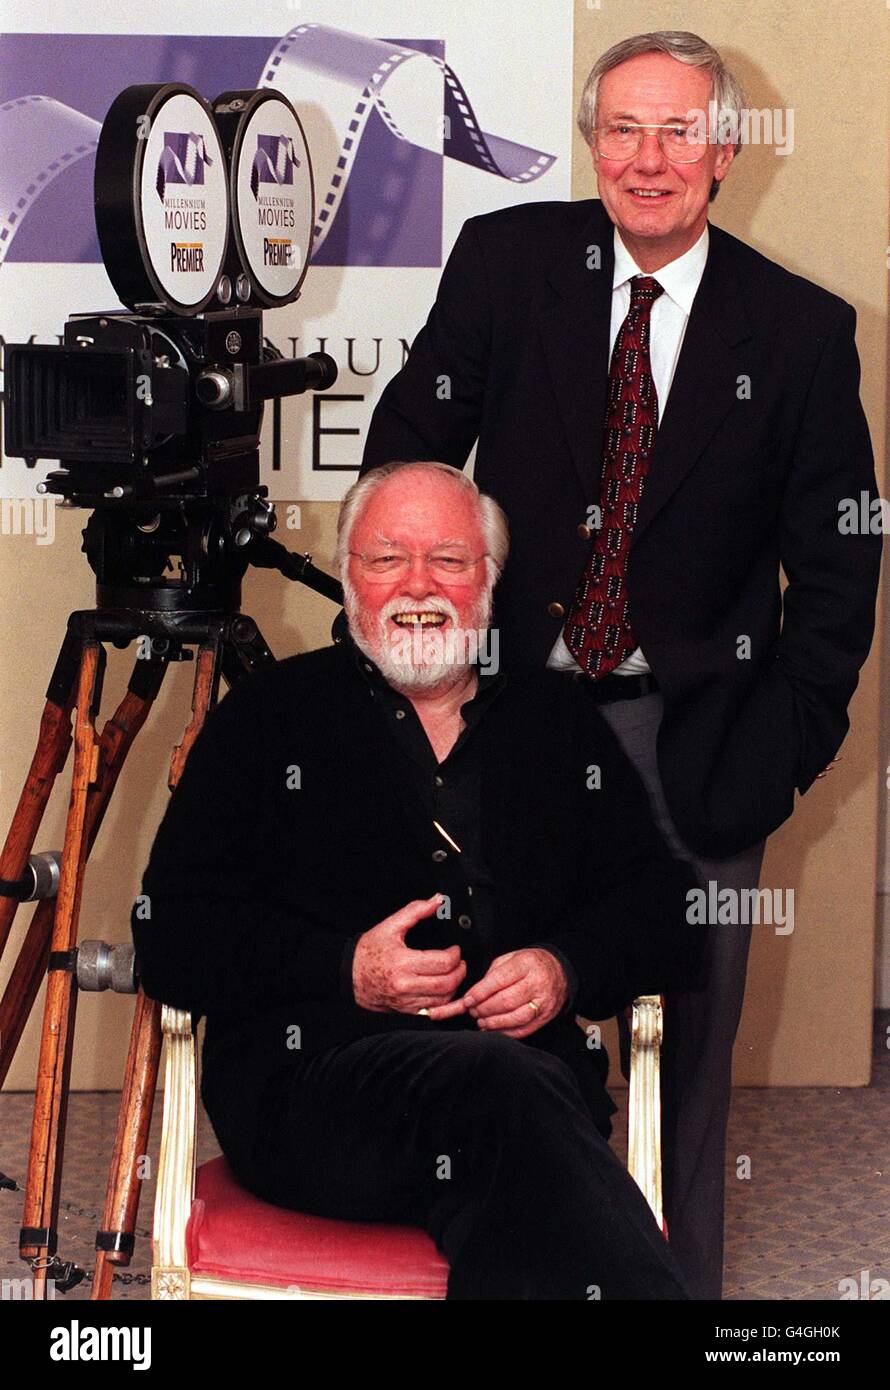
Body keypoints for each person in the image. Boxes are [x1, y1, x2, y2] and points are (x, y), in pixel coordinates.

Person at [359, 32, 883, 1298]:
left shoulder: (801, 333)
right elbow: (405, 457)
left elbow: (837, 572)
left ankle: (674, 1298)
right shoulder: (507, 264)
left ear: (721, 152)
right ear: (595, 144)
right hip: (499, 718)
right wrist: (419, 652)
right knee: (461, 1016)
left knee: (686, 1060)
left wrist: (779, 748)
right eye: (623, 132)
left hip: (693, 738)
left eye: (677, 132)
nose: (648, 161)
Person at [132, 459, 708, 1300]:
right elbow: (171, 930)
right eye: (386, 559)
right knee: (513, 1115)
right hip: (316, 1098)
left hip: (527, 1092)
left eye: (448, 559)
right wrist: (344, 970)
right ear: (345, 574)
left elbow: (668, 910)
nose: (418, 585)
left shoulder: (557, 724)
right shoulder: (266, 718)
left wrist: (564, 968)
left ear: (489, 579)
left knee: (514, 1183)